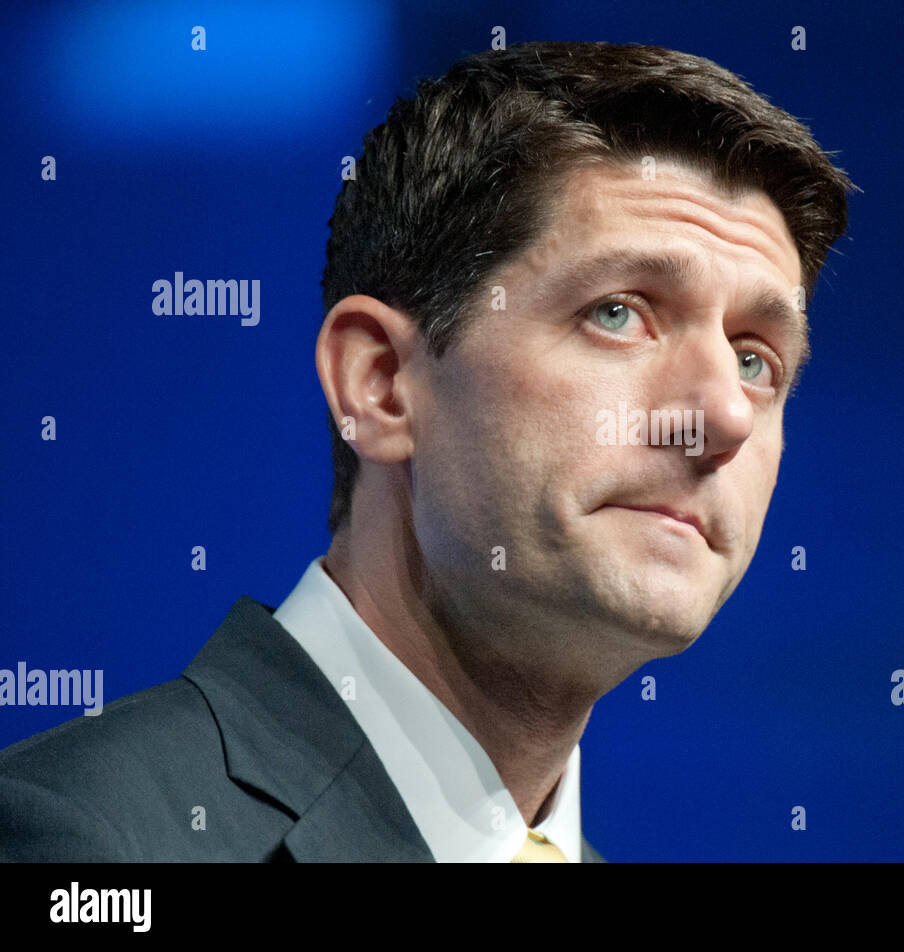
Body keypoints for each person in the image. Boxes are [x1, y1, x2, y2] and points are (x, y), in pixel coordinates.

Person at [0, 40, 854, 862]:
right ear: (381, 384)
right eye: (619, 312)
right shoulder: (84, 838)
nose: (723, 415)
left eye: (755, 360)